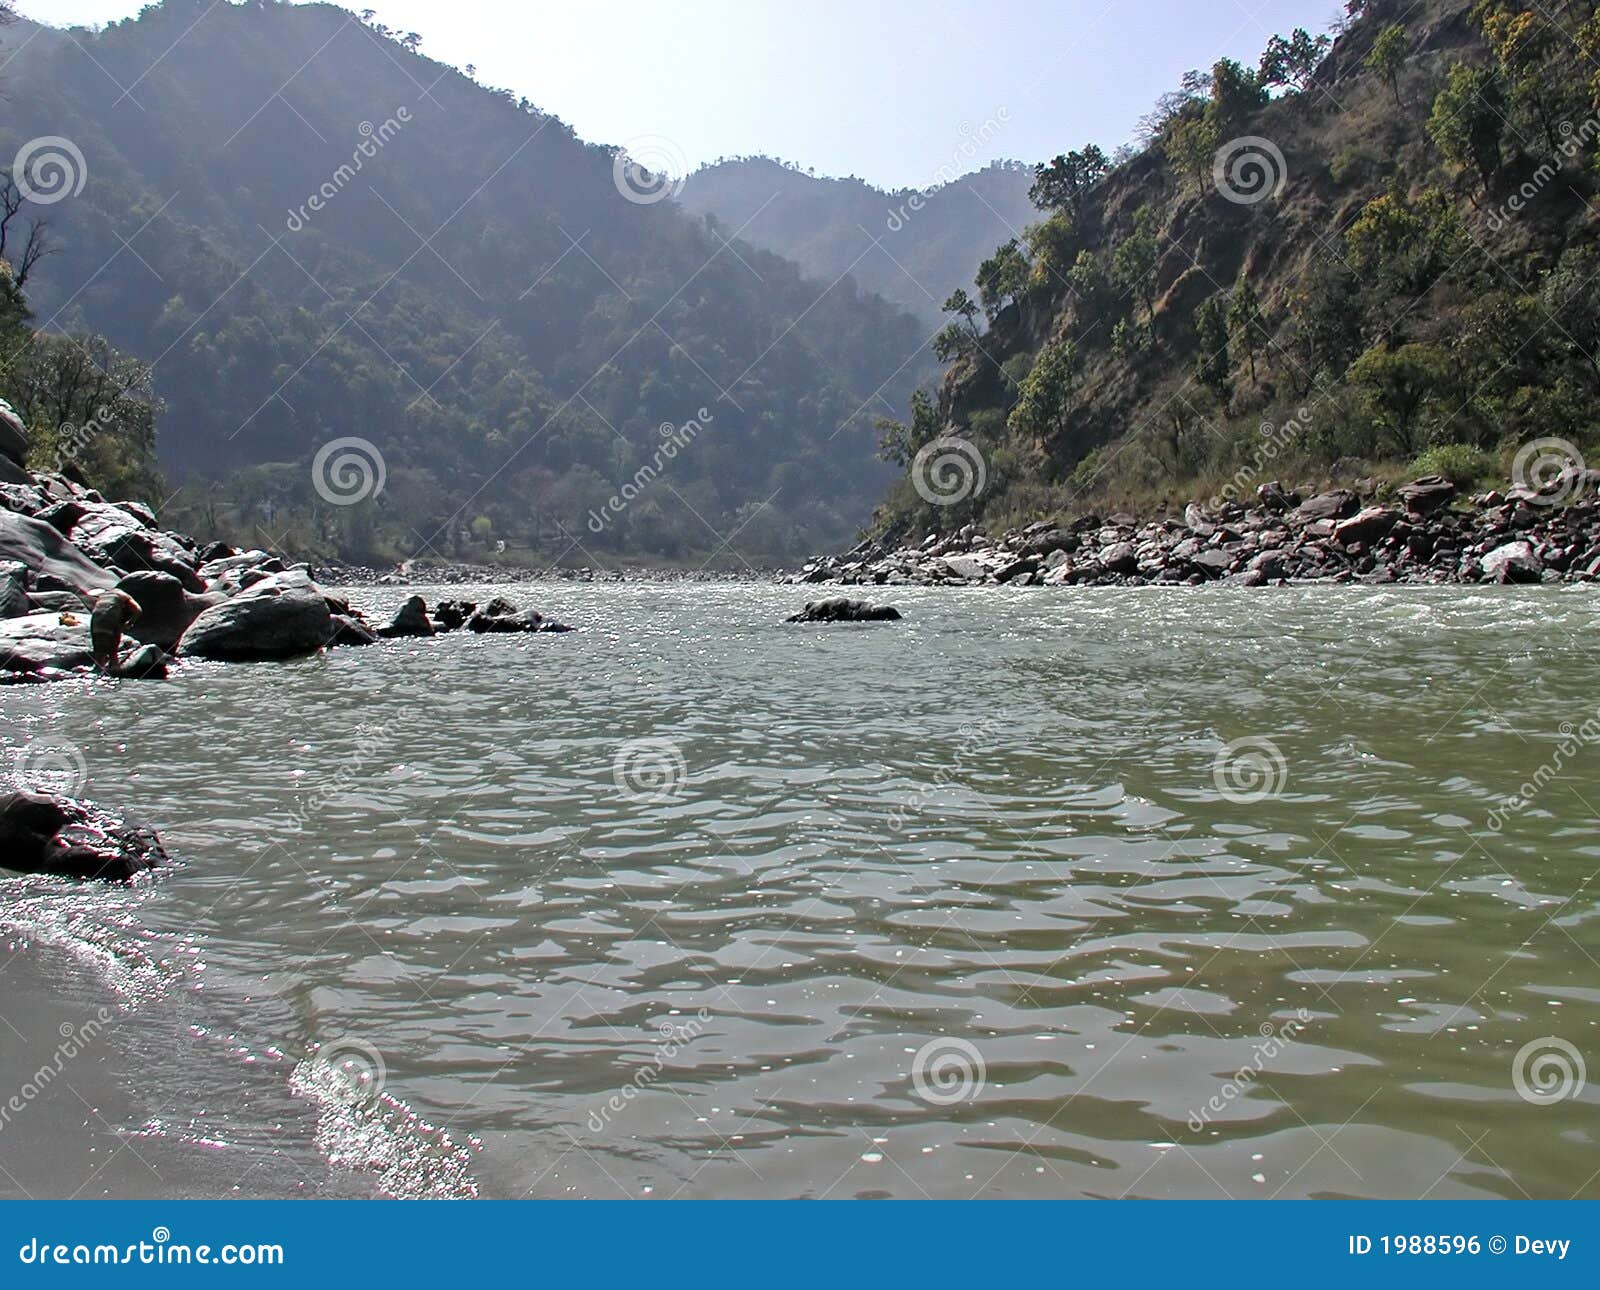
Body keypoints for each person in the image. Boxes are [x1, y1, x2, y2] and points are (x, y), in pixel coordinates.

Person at [90, 589, 142, 673]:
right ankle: (114, 666)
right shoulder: (126, 597)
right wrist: (130, 623)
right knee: (113, 648)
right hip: (111, 615)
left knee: (99, 647)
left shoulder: (104, 596)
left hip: (96, 616)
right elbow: (138, 610)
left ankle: (98, 667)